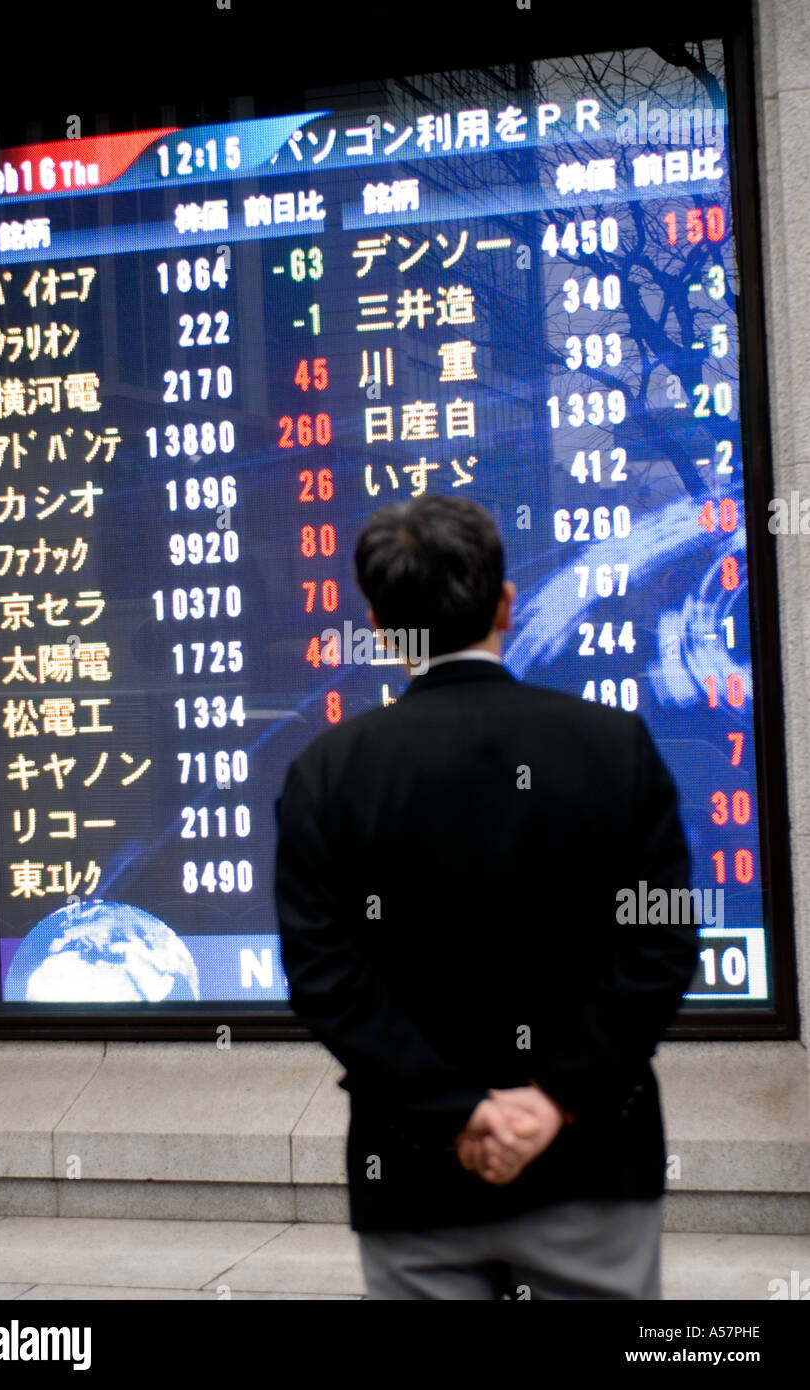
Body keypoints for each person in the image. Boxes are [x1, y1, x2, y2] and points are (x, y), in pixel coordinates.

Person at [274, 494, 699, 1300]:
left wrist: (458, 1112)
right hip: (595, 1168)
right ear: (506, 603)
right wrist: (556, 1101)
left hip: (414, 1176)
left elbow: (324, 979)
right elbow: (664, 943)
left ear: (378, 625)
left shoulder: (326, 774)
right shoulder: (614, 747)